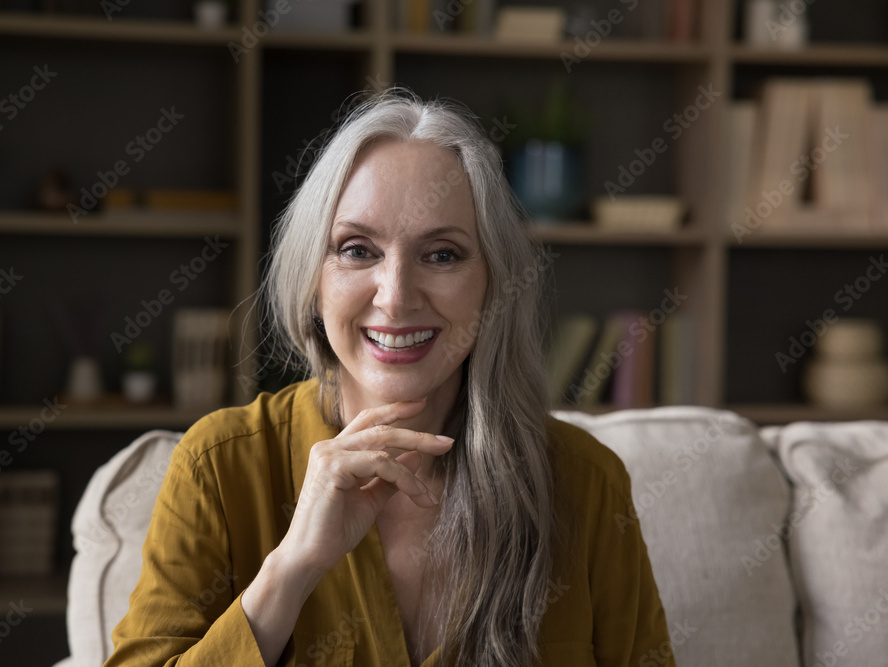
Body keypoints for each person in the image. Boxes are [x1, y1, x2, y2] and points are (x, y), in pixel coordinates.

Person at [105, 90, 675, 667]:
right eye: (357, 250)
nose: (396, 297)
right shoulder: (219, 468)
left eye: (443, 254)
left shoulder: (586, 484)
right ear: (314, 281)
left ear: (494, 285)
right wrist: (293, 567)